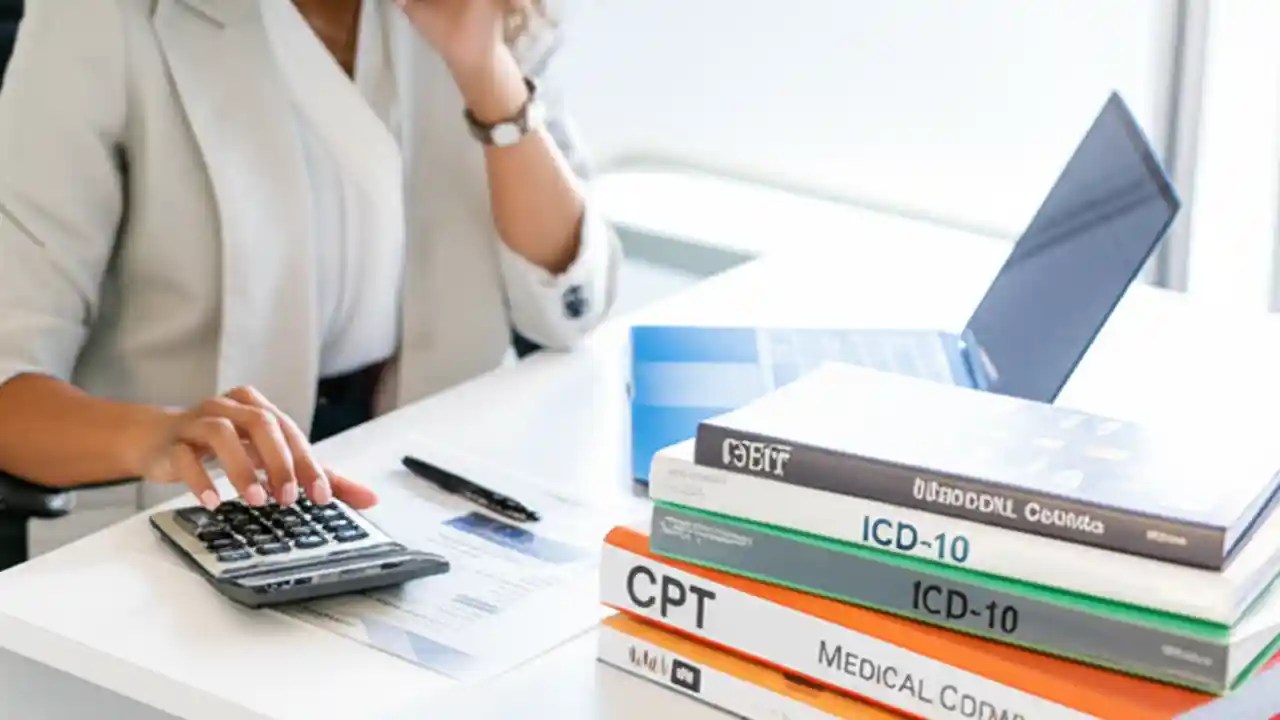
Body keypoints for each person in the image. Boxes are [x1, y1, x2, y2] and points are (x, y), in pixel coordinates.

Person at [0, 0, 620, 513]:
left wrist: (484, 68)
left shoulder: (490, 12)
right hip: (190, 505)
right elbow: (10, 386)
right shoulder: (97, 17)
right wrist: (160, 436)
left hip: (424, 476)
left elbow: (568, 309)